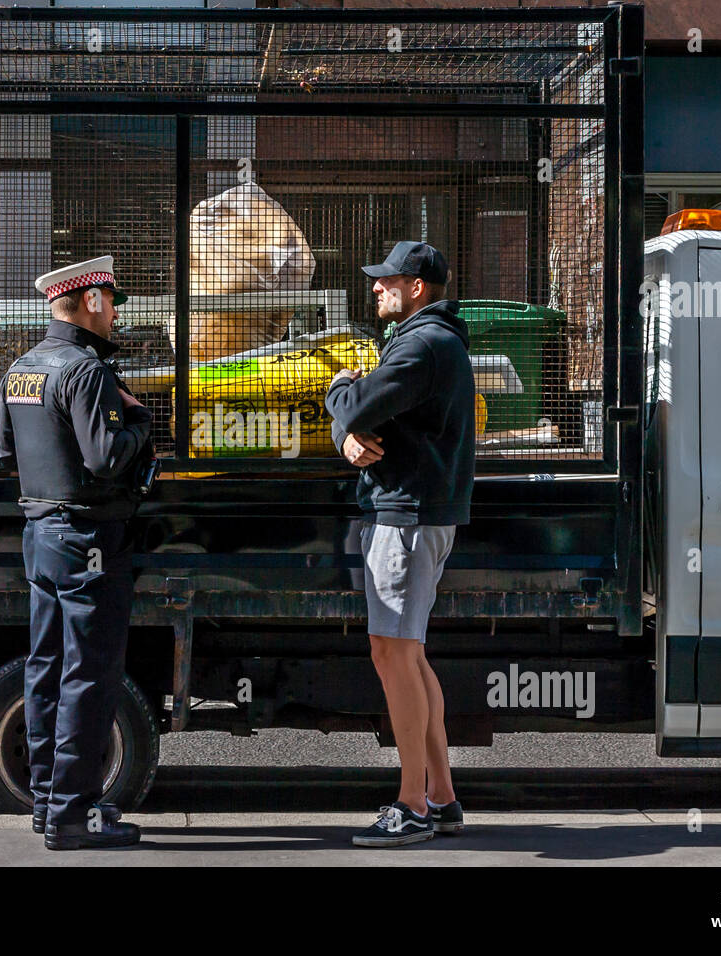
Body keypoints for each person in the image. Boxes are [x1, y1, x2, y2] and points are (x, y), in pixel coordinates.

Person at [0, 255, 153, 850]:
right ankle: (73, 814)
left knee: (47, 669)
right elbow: (106, 459)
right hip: (88, 539)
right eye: (111, 302)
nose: (114, 313)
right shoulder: (87, 372)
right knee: (89, 674)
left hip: (39, 535)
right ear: (90, 301)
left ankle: (45, 804)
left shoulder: (22, 369)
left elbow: (8, 455)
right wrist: (141, 424)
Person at [325, 240, 476, 848]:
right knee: (408, 655)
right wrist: (350, 431)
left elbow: (359, 403)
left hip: (407, 517)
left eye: (386, 280)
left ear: (416, 287)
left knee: (391, 653)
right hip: (419, 513)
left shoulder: (419, 345)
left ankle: (411, 803)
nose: (376, 288)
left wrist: (340, 395)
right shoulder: (435, 341)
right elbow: (370, 414)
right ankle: (440, 796)